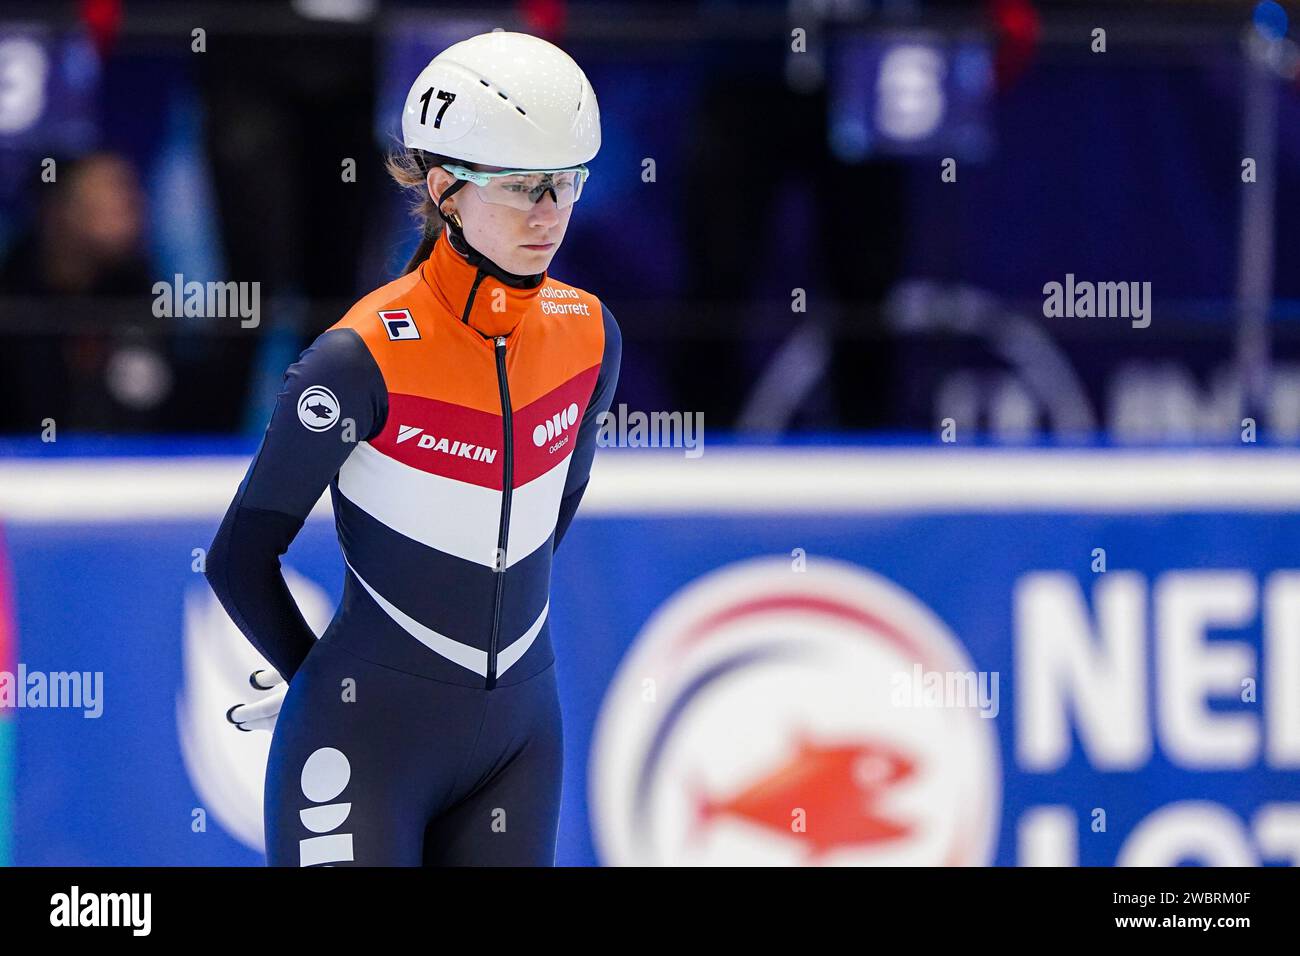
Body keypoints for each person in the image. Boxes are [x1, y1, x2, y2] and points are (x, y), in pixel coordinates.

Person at [204, 30, 620, 866]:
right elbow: (238, 558)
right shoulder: (359, 356)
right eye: (523, 187)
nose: (549, 214)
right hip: (367, 733)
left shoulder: (591, 335)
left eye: (567, 183)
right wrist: (312, 677)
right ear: (447, 190)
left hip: (519, 740)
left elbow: (546, 518)